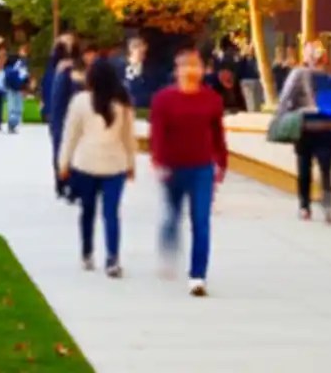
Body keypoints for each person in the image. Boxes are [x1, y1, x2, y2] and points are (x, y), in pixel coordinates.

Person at [150, 45, 228, 297]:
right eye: (185, 66)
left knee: (201, 221)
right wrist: (159, 161)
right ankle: (168, 246)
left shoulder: (212, 99)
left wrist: (222, 161)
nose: (190, 71)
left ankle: (198, 275)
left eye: (195, 65)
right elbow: (158, 134)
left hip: (202, 168)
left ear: (203, 70)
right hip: (173, 167)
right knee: (172, 214)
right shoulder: (164, 99)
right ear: (178, 70)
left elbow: (217, 133)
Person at [58, 57, 137, 277]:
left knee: (87, 211)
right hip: (115, 165)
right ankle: (112, 258)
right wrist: (131, 164)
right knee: (111, 213)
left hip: (86, 164)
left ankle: (87, 253)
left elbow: (70, 135)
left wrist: (63, 163)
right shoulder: (122, 103)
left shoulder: (80, 101)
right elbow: (128, 137)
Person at [275, 41, 331, 224]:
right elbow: (286, 99)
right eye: (312, 53)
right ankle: (305, 205)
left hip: (325, 130)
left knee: (324, 168)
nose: (316, 57)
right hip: (306, 130)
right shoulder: (299, 74)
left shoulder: (329, 76)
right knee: (306, 169)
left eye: (318, 53)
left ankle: (324, 203)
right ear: (306, 56)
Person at [47, 38, 81, 200]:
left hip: (70, 112)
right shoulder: (55, 68)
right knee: (60, 148)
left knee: (72, 149)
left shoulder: (75, 68)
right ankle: (61, 182)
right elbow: (48, 88)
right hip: (58, 113)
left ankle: (70, 185)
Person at [5, 44, 30, 134]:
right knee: (16, 107)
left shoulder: (15, 62)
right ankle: (14, 124)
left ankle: (12, 123)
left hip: (13, 86)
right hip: (17, 87)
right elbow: (24, 76)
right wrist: (25, 87)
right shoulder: (22, 62)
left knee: (13, 106)